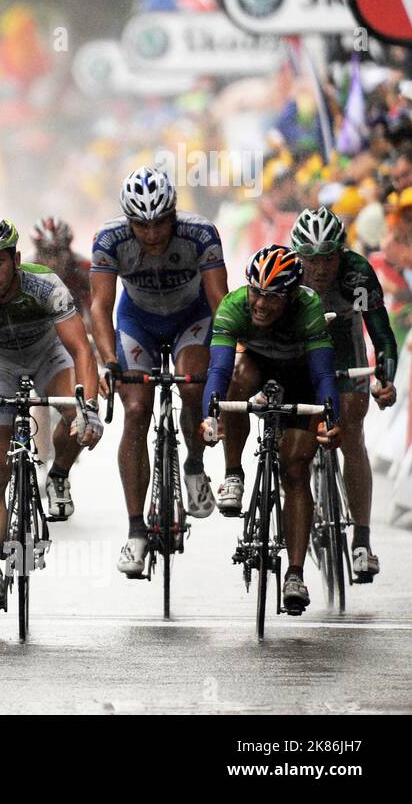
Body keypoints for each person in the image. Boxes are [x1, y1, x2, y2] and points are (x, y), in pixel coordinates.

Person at [216, 209, 399, 582]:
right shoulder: (284, 273)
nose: (319, 268)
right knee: (290, 445)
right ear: (298, 255)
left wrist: (385, 378)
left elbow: (381, 335)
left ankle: (361, 540)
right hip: (298, 354)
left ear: (341, 254)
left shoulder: (356, 274)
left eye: (328, 258)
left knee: (350, 427)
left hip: (343, 348)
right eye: (311, 259)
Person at [0, 218, 103, 608]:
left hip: (50, 357)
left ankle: (59, 475)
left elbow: (81, 351)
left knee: (75, 417)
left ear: (16, 259)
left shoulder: (45, 284)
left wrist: (90, 409)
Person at [89, 167, 228, 576]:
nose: (151, 233)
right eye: (141, 225)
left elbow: (220, 301)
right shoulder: (109, 239)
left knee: (191, 389)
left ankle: (194, 465)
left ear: (174, 214)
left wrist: (225, 356)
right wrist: (109, 362)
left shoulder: (201, 234)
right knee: (135, 411)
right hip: (138, 323)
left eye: (160, 222)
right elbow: (99, 306)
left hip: (192, 317)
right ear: (127, 222)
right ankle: (135, 531)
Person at [200, 245, 342, 614]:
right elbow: (217, 370)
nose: (260, 304)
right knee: (237, 378)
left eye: (273, 297)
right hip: (258, 368)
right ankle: (234, 474)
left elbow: (324, 376)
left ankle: (295, 574)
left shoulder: (308, 309)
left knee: (295, 470)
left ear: (291, 296)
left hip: (301, 377)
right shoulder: (233, 305)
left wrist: (330, 421)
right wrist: (210, 415)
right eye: (256, 292)